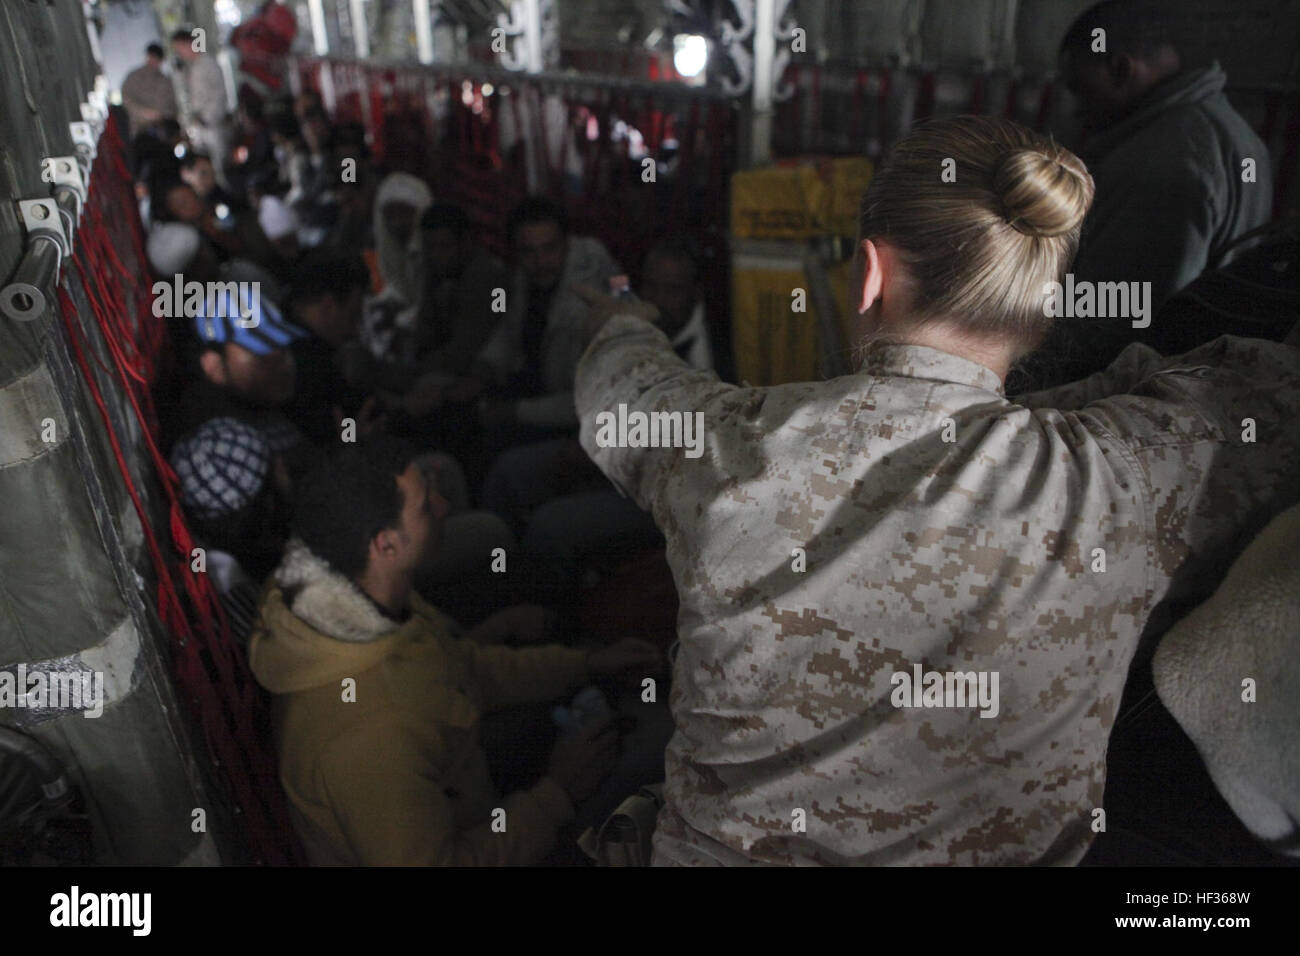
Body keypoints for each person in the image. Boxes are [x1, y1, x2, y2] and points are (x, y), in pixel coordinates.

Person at [572, 114, 1300, 865]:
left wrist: (623, 321)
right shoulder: (1123, 478)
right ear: (1044, 310)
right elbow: (1262, 391)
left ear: (871, 273)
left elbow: (618, 397)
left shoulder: (726, 445)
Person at [247, 438, 662, 865]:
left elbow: (463, 669)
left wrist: (585, 664)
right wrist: (557, 795)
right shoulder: (371, 738)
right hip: (479, 832)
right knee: (650, 754)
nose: (444, 507)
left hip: (464, 784)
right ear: (386, 546)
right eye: (426, 506)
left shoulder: (356, 601)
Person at [1040, 0, 1274, 382]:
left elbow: (1109, 324)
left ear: (1120, 69)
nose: (1076, 110)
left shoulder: (1158, 163)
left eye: (1080, 90)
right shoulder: (1236, 133)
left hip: (1131, 392)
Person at [171, 26, 233, 189]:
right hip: (200, 126)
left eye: (179, 48)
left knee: (220, 167)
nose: (179, 53)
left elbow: (220, 93)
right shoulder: (190, 69)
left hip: (213, 123)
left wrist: (208, 117)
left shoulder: (207, 63)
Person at [120, 43, 179, 138]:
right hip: (140, 129)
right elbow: (126, 99)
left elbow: (173, 107)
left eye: (156, 59)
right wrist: (143, 113)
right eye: (151, 57)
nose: (152, 61)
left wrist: (161, 115)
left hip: (163, 130)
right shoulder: (134, 77)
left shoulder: (166, 81)